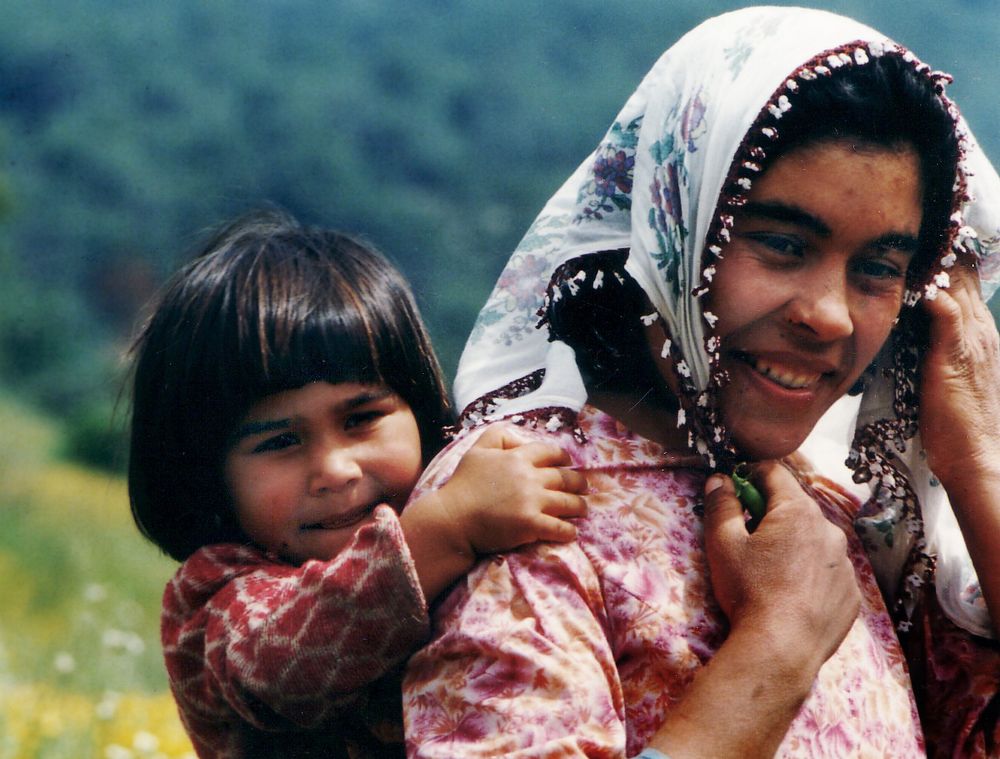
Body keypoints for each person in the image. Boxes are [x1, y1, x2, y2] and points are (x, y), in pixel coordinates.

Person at [403, 7, 1000, 758]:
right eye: (784, 244)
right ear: (672, 230)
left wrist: (976, 460)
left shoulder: (823, 518)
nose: (830, 317)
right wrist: (777, 649)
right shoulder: (527, 503)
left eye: (879, 268)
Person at [126, 210, 588, 757]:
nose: (337, 469)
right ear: (207, 473)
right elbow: (283, 661)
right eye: (279, 442)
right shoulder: (212, 594)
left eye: (361, 419)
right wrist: (446, 531)